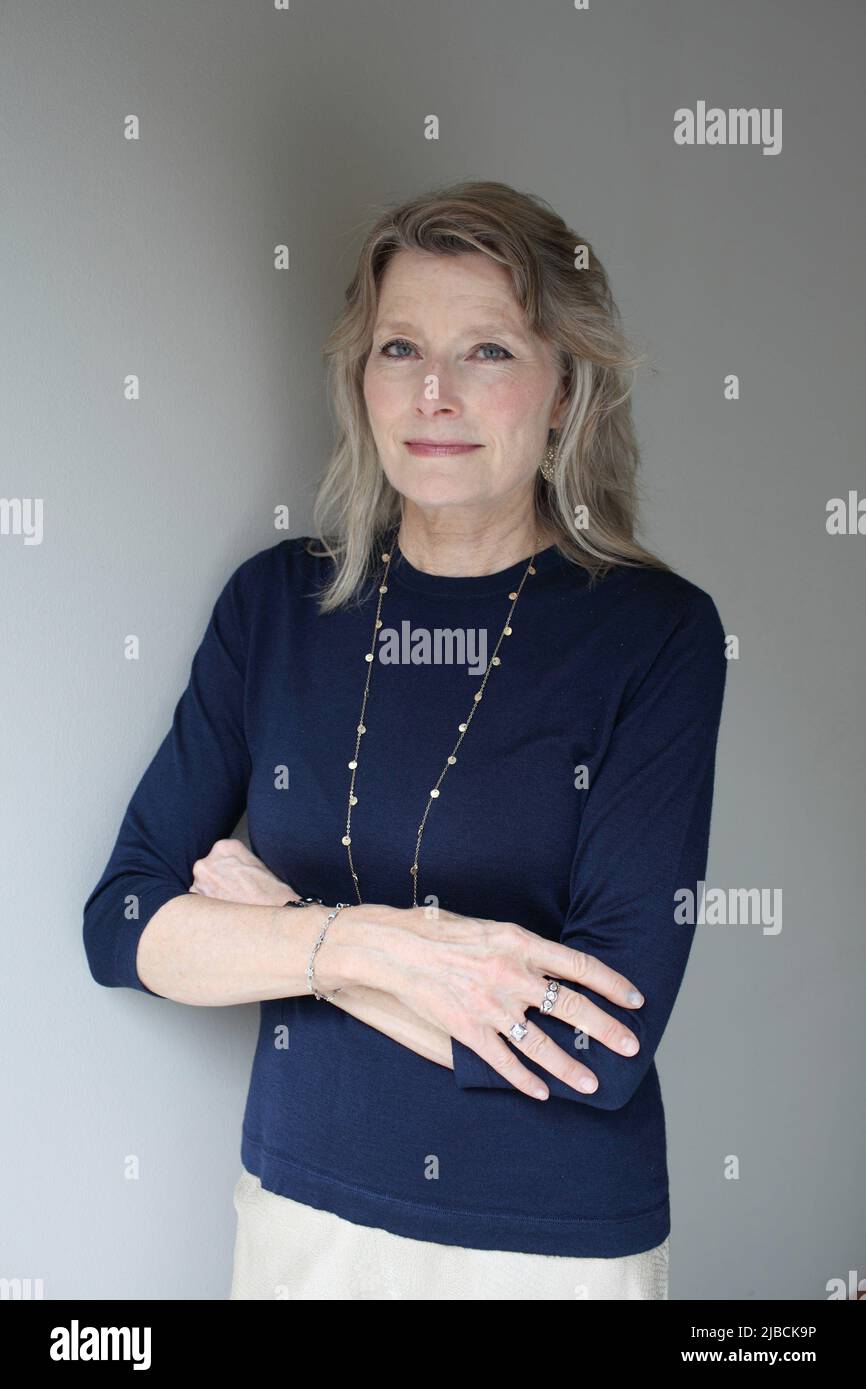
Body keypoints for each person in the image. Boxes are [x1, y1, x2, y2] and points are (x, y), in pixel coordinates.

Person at [83, 179, 728, 1300]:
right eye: (398, 349)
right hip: (298, 1213)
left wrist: (284, 933)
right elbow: (124, 921)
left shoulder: (652, 635)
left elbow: (596, 1053)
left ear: (563, 390)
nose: (432, 393)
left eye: (485, 351)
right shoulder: (276, 607)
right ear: (359, 380)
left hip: (548, 1246)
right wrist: (377, 947)